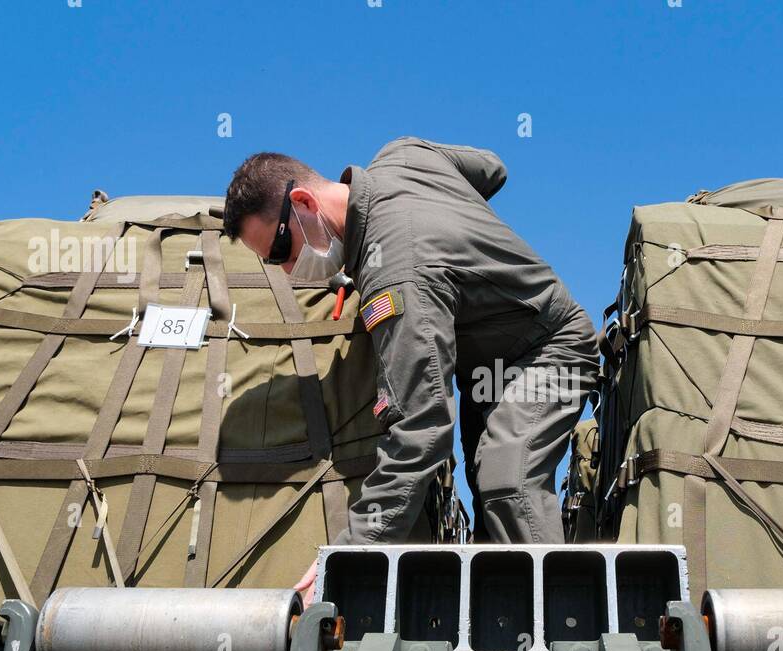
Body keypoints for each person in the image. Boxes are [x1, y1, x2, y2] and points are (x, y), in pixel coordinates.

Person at [221, 138, 599, 599]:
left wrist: (348, 557)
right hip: (488, 366)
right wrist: (463, 228)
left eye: (282, 250)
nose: (286, 271)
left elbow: (421, 429)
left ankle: (562, 640)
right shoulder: (402, 156)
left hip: (548, 348)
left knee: (507, 483)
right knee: (489, 509)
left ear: (303, 202)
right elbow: (492, 168)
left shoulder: (397, 274)